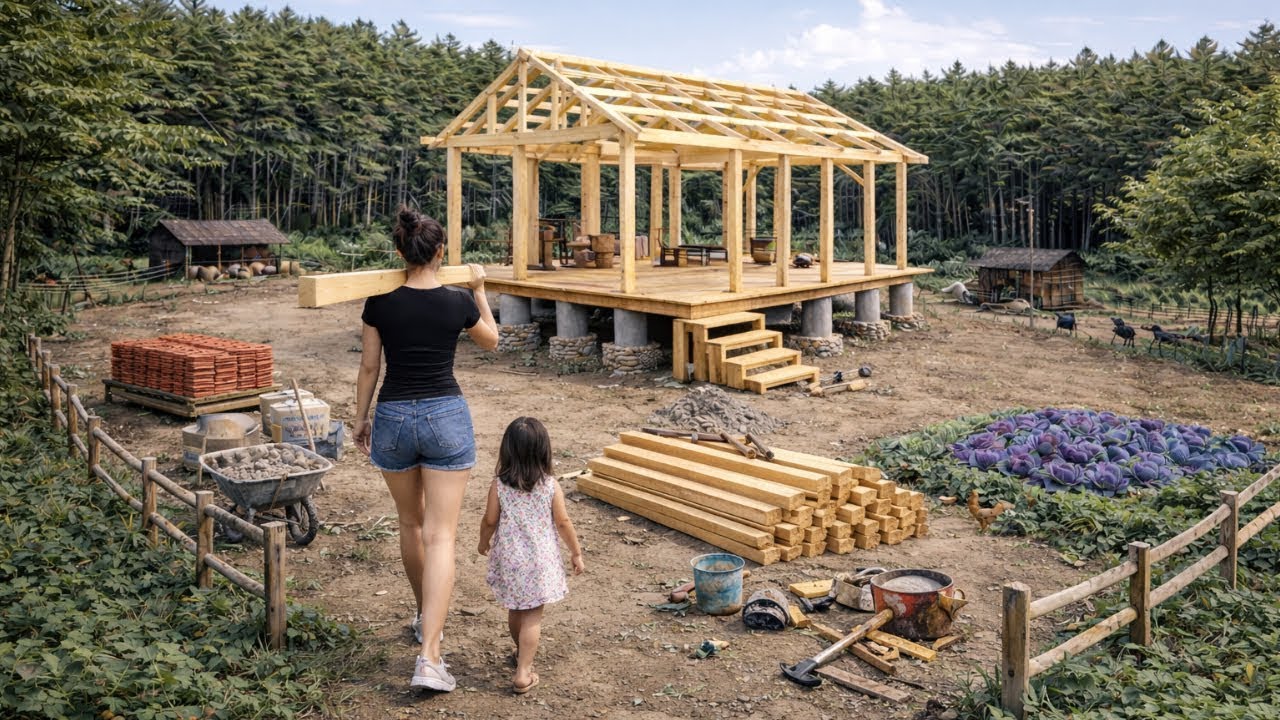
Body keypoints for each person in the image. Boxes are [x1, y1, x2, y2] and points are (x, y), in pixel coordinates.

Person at [353, 207, 499, 692]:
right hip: (445, 417)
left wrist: (361, 418)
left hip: (393, 416)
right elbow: (492, 342)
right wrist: (480, 289)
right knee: (441, 537)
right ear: (441, 252)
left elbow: (369, 368)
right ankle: (430, 656)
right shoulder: (458, 301)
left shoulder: (378, 302)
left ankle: (423, 617)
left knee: (411, 525)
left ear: (399, 252)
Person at [477, 417, 585, 695]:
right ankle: (523, 673)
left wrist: (483, 541)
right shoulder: (550, 485)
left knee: (516, 609)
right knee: (533, 617)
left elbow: (489, 520)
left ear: (507, 450)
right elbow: (563, 522)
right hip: (539, 561)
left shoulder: (499, 485)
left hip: (511, 559)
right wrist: (575, 552)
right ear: (543, 450)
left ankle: (519, 652)